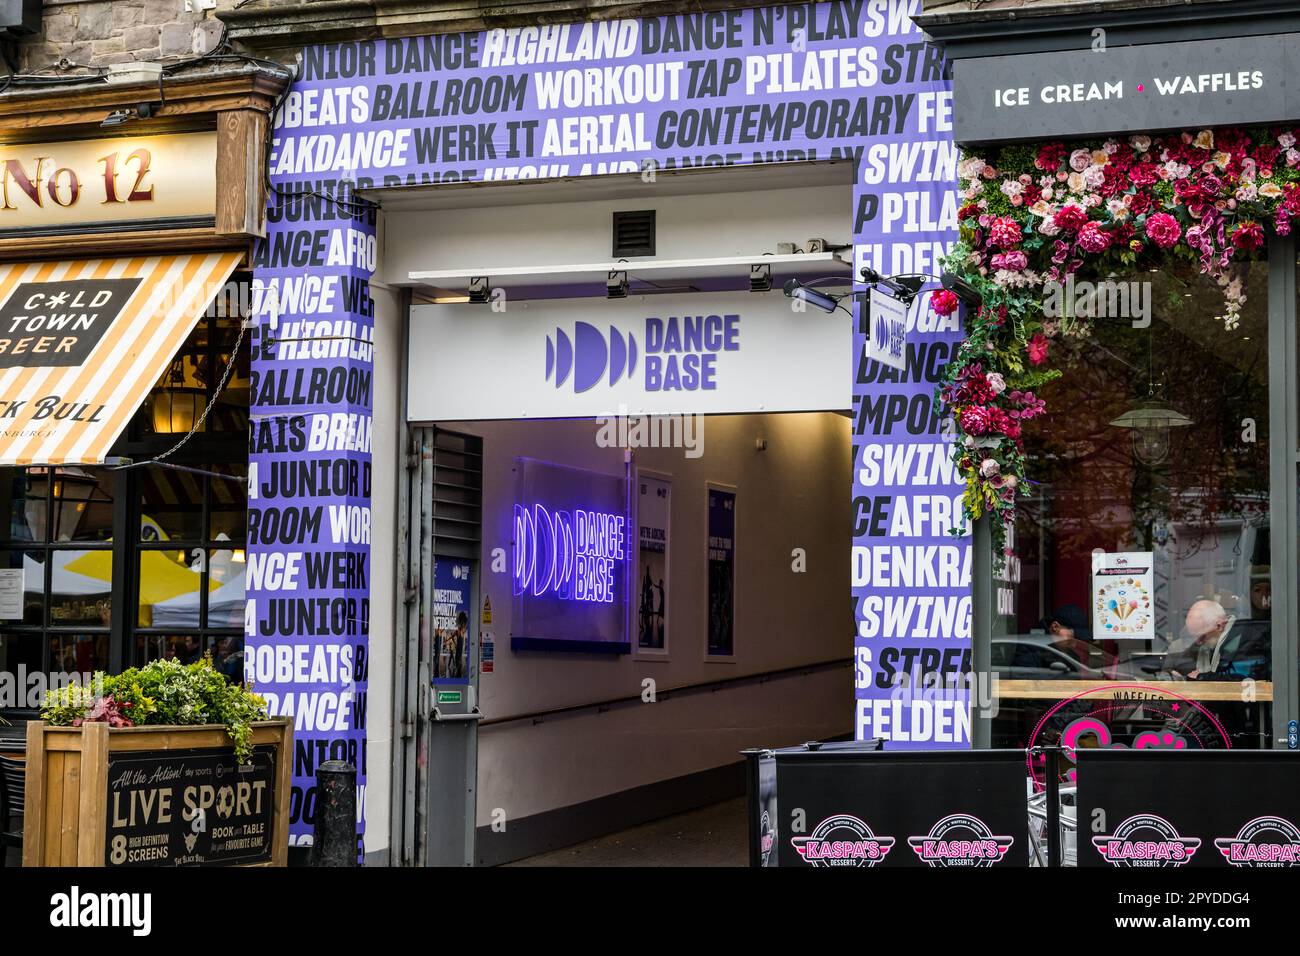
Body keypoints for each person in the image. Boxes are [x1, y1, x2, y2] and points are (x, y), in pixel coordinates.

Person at [1165, 599, 1232, 679]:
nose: (1197, 642)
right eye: (1191, 635)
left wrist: (1204, 677)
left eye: (1201, 636)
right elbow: (1164, 674)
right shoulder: (1179, 646)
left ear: (1219, 627)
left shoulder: (1236, 645)